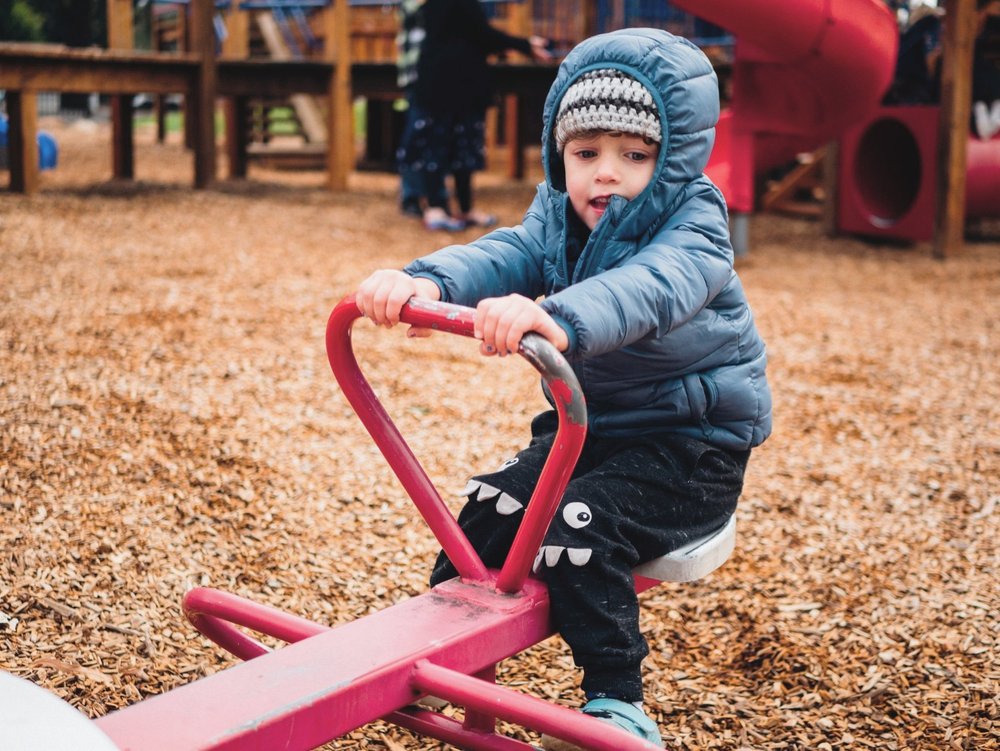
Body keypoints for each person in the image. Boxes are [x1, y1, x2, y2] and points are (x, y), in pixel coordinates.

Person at [356, 28, 772, 749]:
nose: (604, 174)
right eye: (585, 154)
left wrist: (557, 317)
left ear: (670, 161)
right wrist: (426, 280)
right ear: (561, 154)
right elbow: (505, 252)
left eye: (633, 156)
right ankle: (437, 648)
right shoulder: (558, 212)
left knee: (575, 524)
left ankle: (616, 703)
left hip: (688, 446)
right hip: (592, 426)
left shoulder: (696, 225)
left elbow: (649, 290)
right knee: (492, 507)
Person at [398, 0, 551, 231]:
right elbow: (482, 35)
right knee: (437, 147)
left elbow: (474, 34)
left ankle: (462, 208)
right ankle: (437, 208)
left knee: (457, 148)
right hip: (442, 81)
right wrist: (525, 45)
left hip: (456, 82)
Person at [394, 0, 451, 219]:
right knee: (417, 135)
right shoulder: (414, 6)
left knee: (434, 135)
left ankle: (434, 194)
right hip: (418, 75)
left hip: (432, 74)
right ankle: (413, 194)